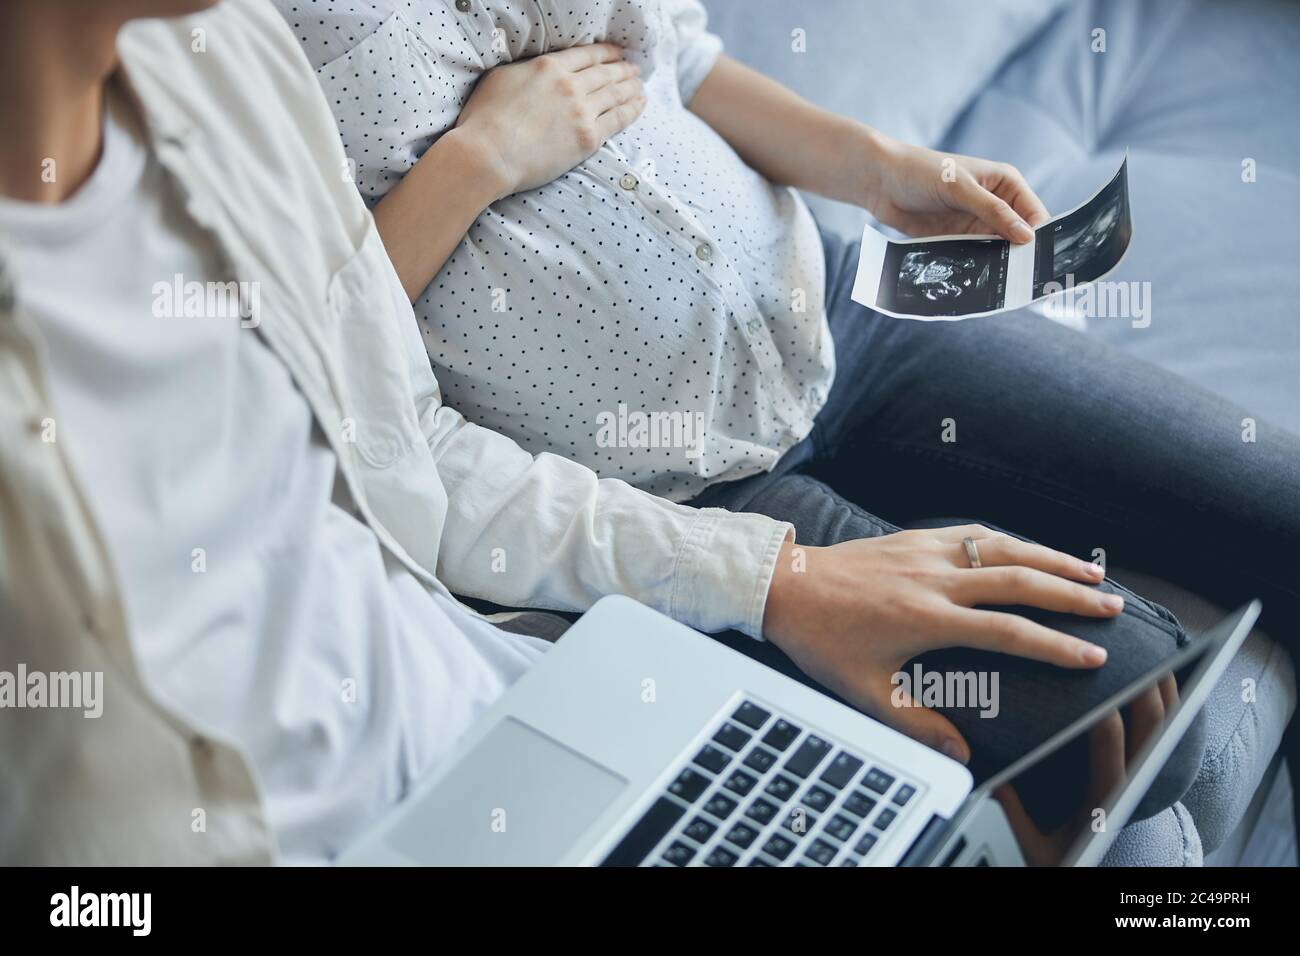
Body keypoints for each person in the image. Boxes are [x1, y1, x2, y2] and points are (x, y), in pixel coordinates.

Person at [0, 0, 1152, 865]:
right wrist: (479, 162)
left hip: (574, 674)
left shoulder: (214, 65)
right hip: (653, 493)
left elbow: (396, 441)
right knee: (1129, 739)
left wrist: (782, 584)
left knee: (1134, 741)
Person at [274, 0, 1300, 783]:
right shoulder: (201, 50)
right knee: (1135, 695)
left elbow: (675, 56)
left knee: (1281, 502)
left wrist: (876, 167)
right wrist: (475, 162)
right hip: (674, 489)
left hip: (837, 315)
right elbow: (315, 367)